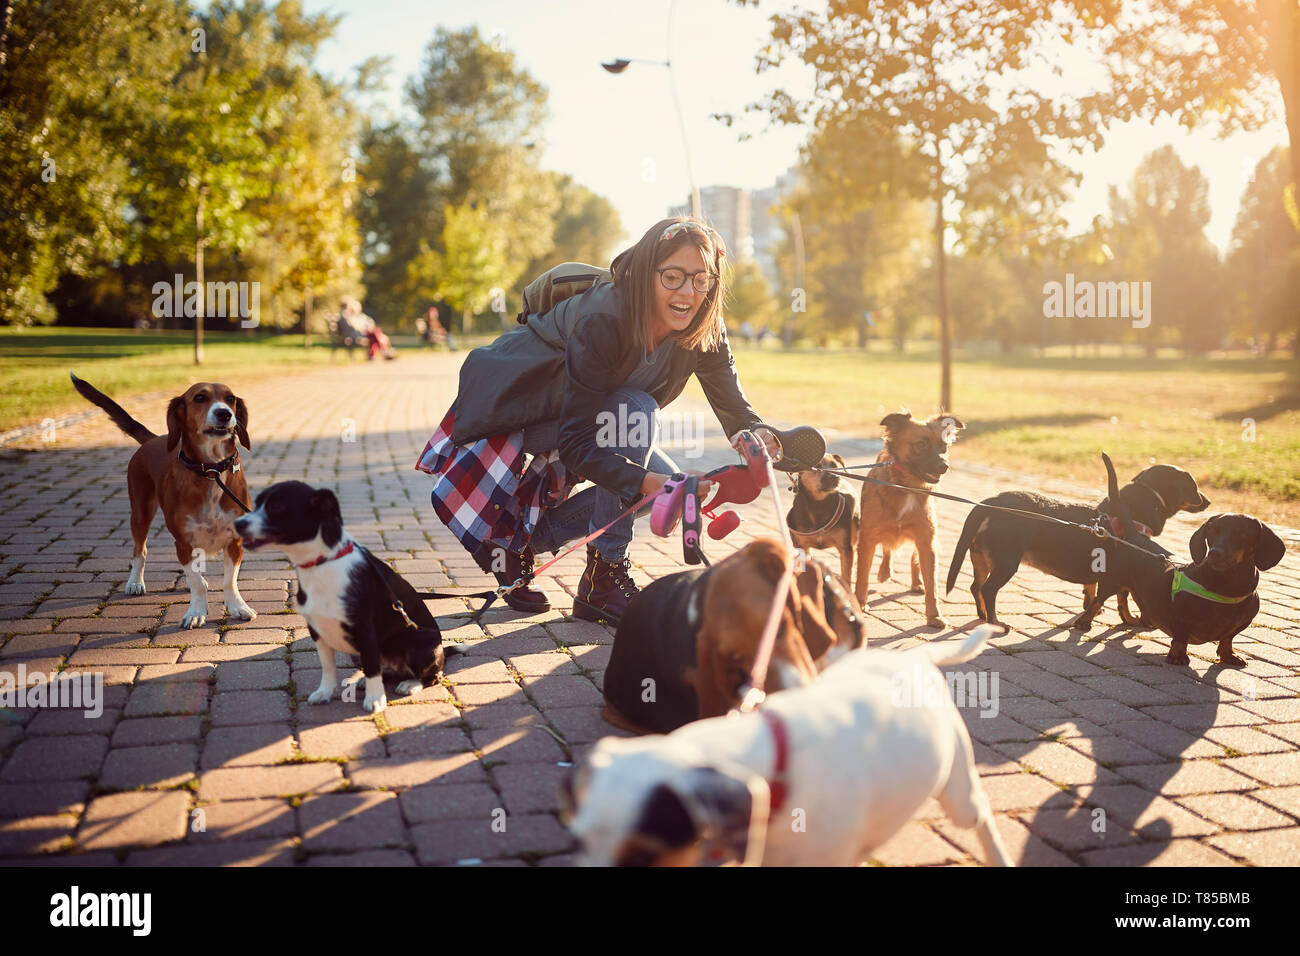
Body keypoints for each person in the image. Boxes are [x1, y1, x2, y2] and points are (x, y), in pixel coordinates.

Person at [415, 217, 779, 625]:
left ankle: (515, 546)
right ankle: (604, 575)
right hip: (529, 406)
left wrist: (757, 433)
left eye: (701, 280)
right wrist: (644, 480)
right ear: (646, 272)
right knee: (635, 414)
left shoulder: (703, 323)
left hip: (601, 418)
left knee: (665, 485)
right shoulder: (605, 317)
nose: (688, 293)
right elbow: (577, 442)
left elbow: (731, 400)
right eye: (673, 276)